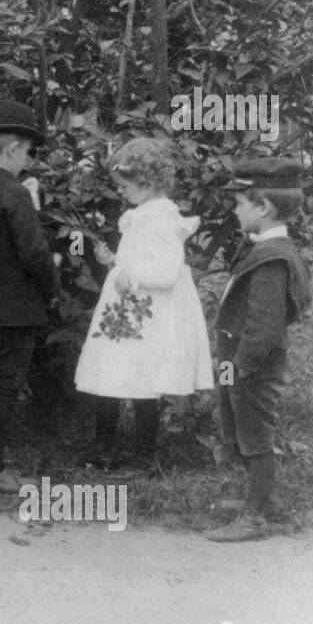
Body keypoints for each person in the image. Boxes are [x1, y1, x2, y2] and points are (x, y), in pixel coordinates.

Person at [74, 138, 213, 471]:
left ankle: (143, 456)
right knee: (109, 376)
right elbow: (138, 261)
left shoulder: (161, 219)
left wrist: (131, 275)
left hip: (145, 320)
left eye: (124, 186)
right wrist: (115, 263)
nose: (120, 193)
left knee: (143, 383)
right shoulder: (142, 214)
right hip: (125, 316)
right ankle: (104, 450)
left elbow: (165, 273)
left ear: (147, 183)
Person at [206, 158, 312, 542]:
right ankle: (261, 500)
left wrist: (240, 367)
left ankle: (254, 517)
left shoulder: (272, 259)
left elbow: (264, 325)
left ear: (263, 208)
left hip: (253, 366)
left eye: (239, 203)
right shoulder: (265, 247)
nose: (235, 210)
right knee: (242, 431)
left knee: (256, 439)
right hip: (242, 362)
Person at [0, 97, 59, 493]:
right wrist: (50, 289)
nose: (29, 161)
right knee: (6, 385)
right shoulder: (15, 193)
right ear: (14, 149)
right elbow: (34, 251)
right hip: (17, 308)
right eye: (29, 152)